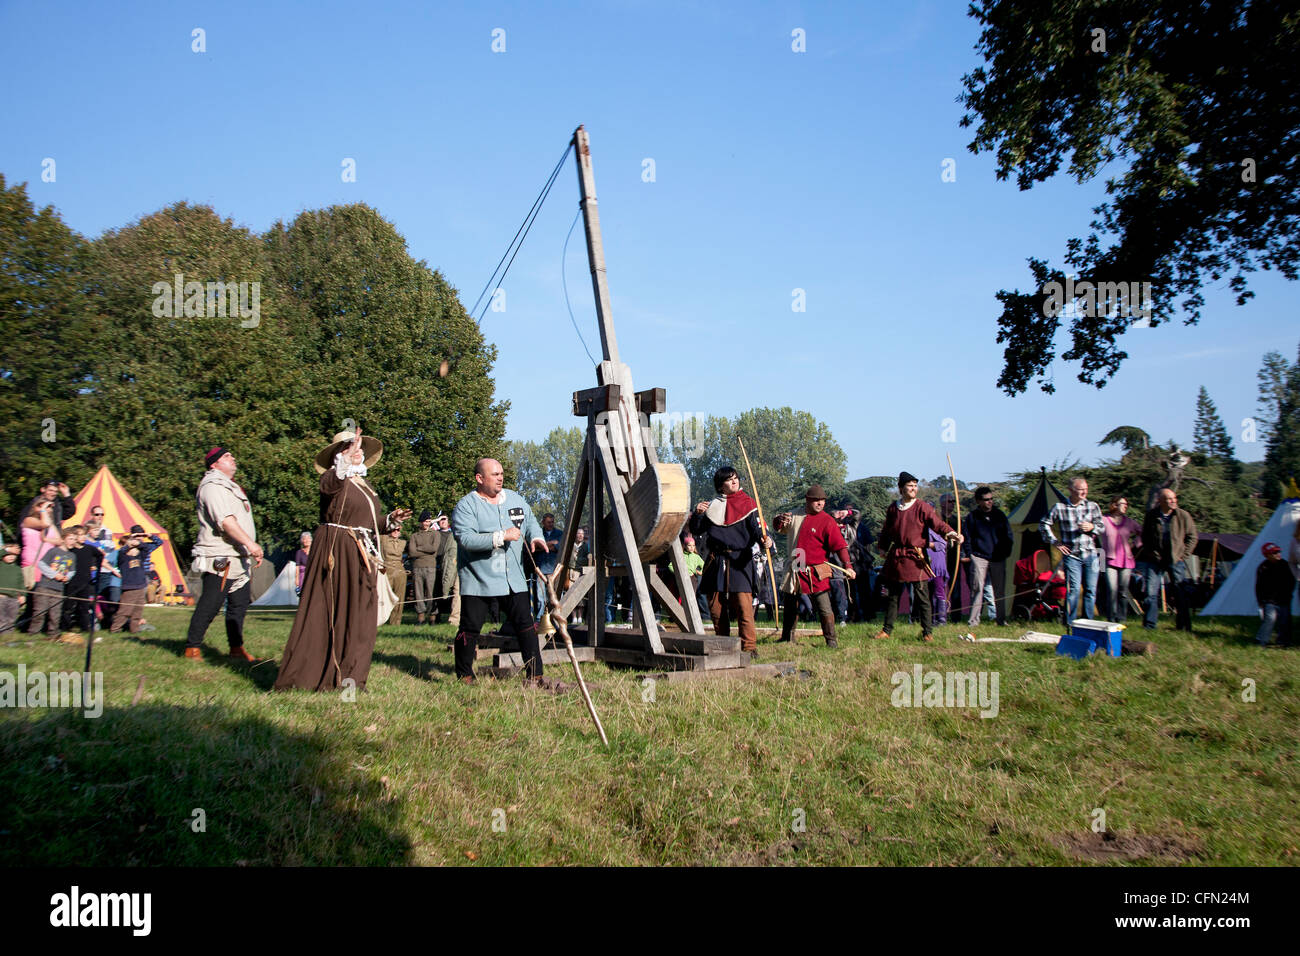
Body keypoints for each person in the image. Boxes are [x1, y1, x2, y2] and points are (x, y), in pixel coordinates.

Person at [276, 430, 410, 691]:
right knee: (333, 612)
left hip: (361, 552)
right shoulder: (336, 478)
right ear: (339, 455)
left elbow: (367, 522)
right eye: (350, 447)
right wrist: (344, 459)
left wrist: (390, 520)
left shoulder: (363, 483)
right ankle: (316, 676)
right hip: (338, 551)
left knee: (361, 616)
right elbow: (328, 486)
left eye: (359, 447)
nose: (358, 450)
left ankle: (351, 678)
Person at [449, 457, 555, 687]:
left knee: (526, 626)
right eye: (494, 474)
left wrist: (535, 536)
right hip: (479, 580)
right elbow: (465, 539)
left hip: (513, 580)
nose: (500, 477)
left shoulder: (515, 499)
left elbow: (531, 522)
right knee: (470, 628)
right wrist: (500, 536)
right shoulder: (466, 506)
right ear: (480, 478)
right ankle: (464, 674)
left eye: (501, 473)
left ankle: (535, 675)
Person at [185, 446, 265, 662]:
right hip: (220, 556)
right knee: (212, 602)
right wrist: (252, 544)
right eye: (227, 456)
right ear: (214, 464)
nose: (233, 457)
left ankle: (236, 648)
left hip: (238, 554)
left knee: (239, 604)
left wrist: (247, 547)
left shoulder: (229, 486)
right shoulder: (212, 486)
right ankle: (192, 647)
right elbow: (226, 522)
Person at [689, 466, 772, 659]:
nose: (734, 481)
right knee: (716, 607)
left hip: (740, 561)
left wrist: (764, 539)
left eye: (735, 478)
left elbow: (758, 529)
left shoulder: (749, 504)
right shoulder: (712, 506)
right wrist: (698, 513)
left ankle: (749, 647)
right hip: (716, 560)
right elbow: (697, 529)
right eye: (729, 479)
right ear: (721, 485)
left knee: (744, 606)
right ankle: (723, 645)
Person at [875, 472, 962, 643]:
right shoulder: (893, 508)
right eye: (910, 485)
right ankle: (886, 630)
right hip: (897, 555)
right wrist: (883, 548)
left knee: (922, 596)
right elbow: (887, 530)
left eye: (915, 485)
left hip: (917, 556)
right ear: (901, 489)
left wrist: (951, 533)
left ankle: (927, 632)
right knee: (893, 596)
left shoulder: (923, 507)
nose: (914, 488)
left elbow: (937, 524)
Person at [773, 485, 854, 647]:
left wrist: (848, 565)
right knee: (790, 605)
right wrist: (779, 520)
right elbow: (779, 528)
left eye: (822, 500)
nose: (820, 503)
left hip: (816, 569)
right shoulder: (795, 515)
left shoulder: (827, 521)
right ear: (808, 500)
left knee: (824, 606)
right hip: (795, 565)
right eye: (816, 500)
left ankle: (831, 641)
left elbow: (839, 546)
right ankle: (787, 637)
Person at [1039, 477, 1104, 628]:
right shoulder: (1060, 508)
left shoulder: (1092, 506)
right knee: (1073, 589)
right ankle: (1070, 622)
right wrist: (1056, 542)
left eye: (1086, 489)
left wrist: (1092, 527)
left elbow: (1102, 527)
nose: (1084, 492)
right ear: (1071, 490)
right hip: (1072, 555)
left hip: (1091, 554)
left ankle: (1089, 623)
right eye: (1080, 489)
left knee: (1091, 590)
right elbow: (1044, 524)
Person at [1135, 487, 1199, 632]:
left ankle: (1183, 626)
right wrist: (1151, 552)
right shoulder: (1152, 515)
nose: (1173, 501)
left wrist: (1184, 555)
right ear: (1161, 501)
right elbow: (1145, 537)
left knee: (1179, 594)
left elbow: (1193, 537)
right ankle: (1150, 626)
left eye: (1174, 498)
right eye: (1169, 499)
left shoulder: (1183, 515)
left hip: (1176, 560)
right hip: (1154, 560)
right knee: (1150, 593)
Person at [964, 486, 1013, 628]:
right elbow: (967, 537)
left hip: (998, 557)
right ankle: (973, 621)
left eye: (991, 499)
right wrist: (970, 554)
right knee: (977, 587)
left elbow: (1008, 535)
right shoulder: (972, 517)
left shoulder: (1000, 516)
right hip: (979, 556)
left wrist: (1005, 552)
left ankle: (1001, 620)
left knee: (999, 590)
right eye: (986, 500)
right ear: (978, 501)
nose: (989, 502)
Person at [1100, 495, 1142, 623]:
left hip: (1126, 560)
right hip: (1108, 560)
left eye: (1126, 504)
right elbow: (1093, 534)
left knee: (1123, 591)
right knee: (1112, 590)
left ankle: (1122, 618)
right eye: (1122, 503)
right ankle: (1111, 619)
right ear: (1114, 505)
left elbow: (1143, 533)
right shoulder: (1103, 520)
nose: (1125, 506)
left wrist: (1135, 544)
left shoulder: (1129, 522)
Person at [111, 528, 163, 633]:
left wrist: (139, 542)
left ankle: (134, 629)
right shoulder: (123, 558)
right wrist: (130, 543)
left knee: (137, 611)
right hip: (129, 587)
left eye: (136, 549)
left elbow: (146, 549)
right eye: (133, 549)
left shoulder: (140, 557)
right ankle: (115, 628)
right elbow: (122, 550)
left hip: (141, 586)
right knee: (125, 610)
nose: (135, 551)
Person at [29, 527, 75, 636]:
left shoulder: (72, 556)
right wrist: (55, 575)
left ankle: (53, 634)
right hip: (45, 586)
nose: (73, 541)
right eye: (71, 538)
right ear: (63, 539)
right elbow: (41, 564)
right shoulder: (54, 551)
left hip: (58, 589)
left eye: (74, 539)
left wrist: (67, 577)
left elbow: (72, 570)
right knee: (40, 612)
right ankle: (33, 633)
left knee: (55, 613)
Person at [1255, 542, 1294, 647]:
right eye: (1274, 552)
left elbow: (1291, 581)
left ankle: (1283, 642)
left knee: (1285, 620)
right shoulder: (1263, 568)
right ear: (1267, 555)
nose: (1278, 554)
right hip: (1269, 600)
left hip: (1284, 598)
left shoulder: (1285, 565)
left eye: (1279, 551)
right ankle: (1262, 640)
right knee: (1270, 619)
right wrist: (1260, 601)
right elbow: (1259, 587)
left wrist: (1288, 593)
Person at [408, 510, 441, 624]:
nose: (426, 523)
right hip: (417, 567)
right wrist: (426, 549)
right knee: (418, 593)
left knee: (431, 592)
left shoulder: (435, 534)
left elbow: (434, 549)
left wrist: (419, 548)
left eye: (428, 521)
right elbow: (412, 552)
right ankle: (420, 617)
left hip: (431, 566)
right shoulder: (414, 536)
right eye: (424, 521)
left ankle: (432, 617)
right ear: (420, 522)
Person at [532, 513, 564, 619]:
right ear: (543, 522)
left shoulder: (560, 533)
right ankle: (541, 617)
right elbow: (534, 548)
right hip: (540, 569)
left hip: (554, 569)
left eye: (552, 522)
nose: (551, 524)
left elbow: (558, 548)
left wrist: (543, 545)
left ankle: (557, 615)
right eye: (548, 522)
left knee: (555, 594)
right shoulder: (538, 533)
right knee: (541, 595)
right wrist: (550, 544)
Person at [434, 513, 460, 627]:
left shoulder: (456, 533)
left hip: (462, 566)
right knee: (443, 592)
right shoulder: (442, 535)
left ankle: (455, 619)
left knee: (458, 593)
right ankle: (441, 618)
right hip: (447, 565)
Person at [381, 526, 408, 627]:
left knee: (399, 597)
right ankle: (382, 619)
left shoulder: (403, 542)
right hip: (386, 568)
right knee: (385, 595)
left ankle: (395, 622)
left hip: (399, 569)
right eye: (394, 529)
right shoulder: (383, 539)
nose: (396, 532)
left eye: (398, 530)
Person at [0, 543, 26, 633]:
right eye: (8, 555)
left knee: (11, 619)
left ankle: (8, 637)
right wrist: (7, 550)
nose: (11, 557)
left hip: (13, 598)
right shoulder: (1, 565)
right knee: (1, 619)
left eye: (13, 555)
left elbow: (21, 583)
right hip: (1, 597)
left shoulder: (17, 569)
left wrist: (22, 594)